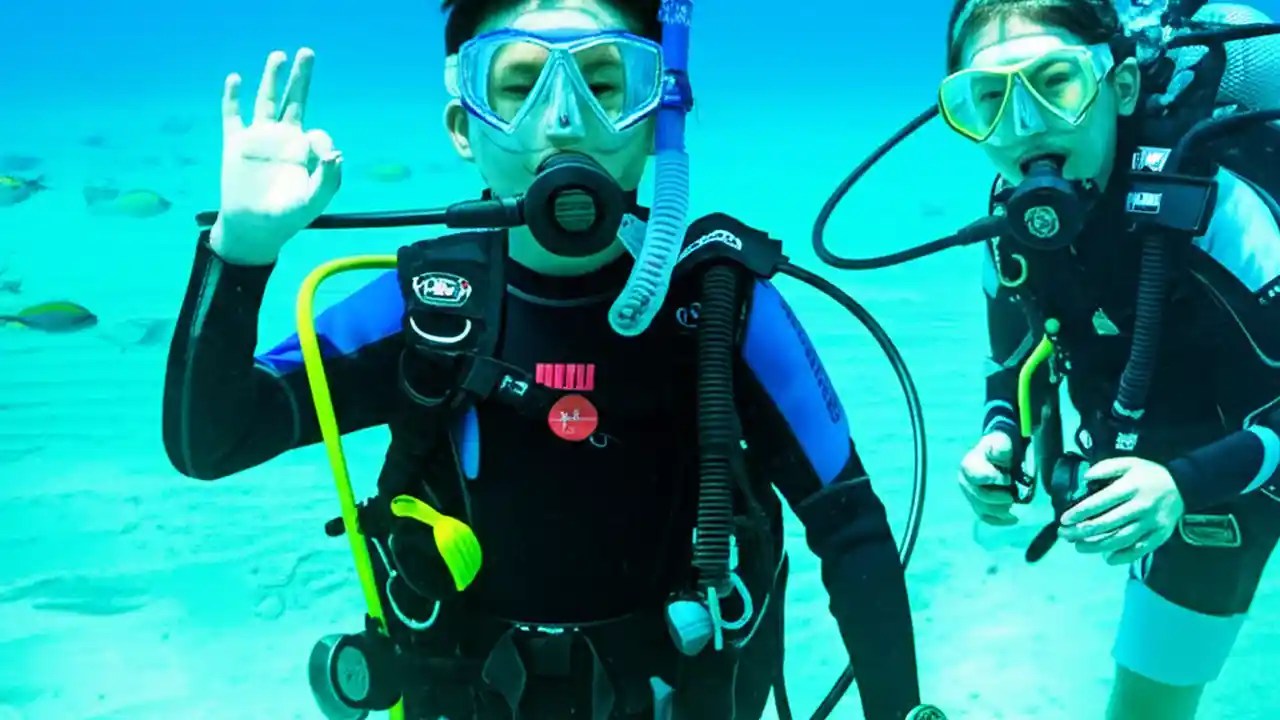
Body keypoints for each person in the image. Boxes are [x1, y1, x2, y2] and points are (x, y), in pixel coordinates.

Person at [162, 0, 937, 718]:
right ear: (463, 128)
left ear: (660, 120)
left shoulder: (721, 306)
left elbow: (851, 528)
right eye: (517, 86)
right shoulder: (426, 306)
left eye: (603, 84)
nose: (564, 121)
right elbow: (211, 442)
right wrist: (242, 250)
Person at [942, 0, 1280, 718]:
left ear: (1120, 87)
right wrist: (1000, 437)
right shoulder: (1012, 226)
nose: (1023, 125)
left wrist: (1184, 481)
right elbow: (1013, 359)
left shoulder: (1215, 211)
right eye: (989, 97)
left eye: (1055, 81)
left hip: (1202, 471)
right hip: (1190, 489)